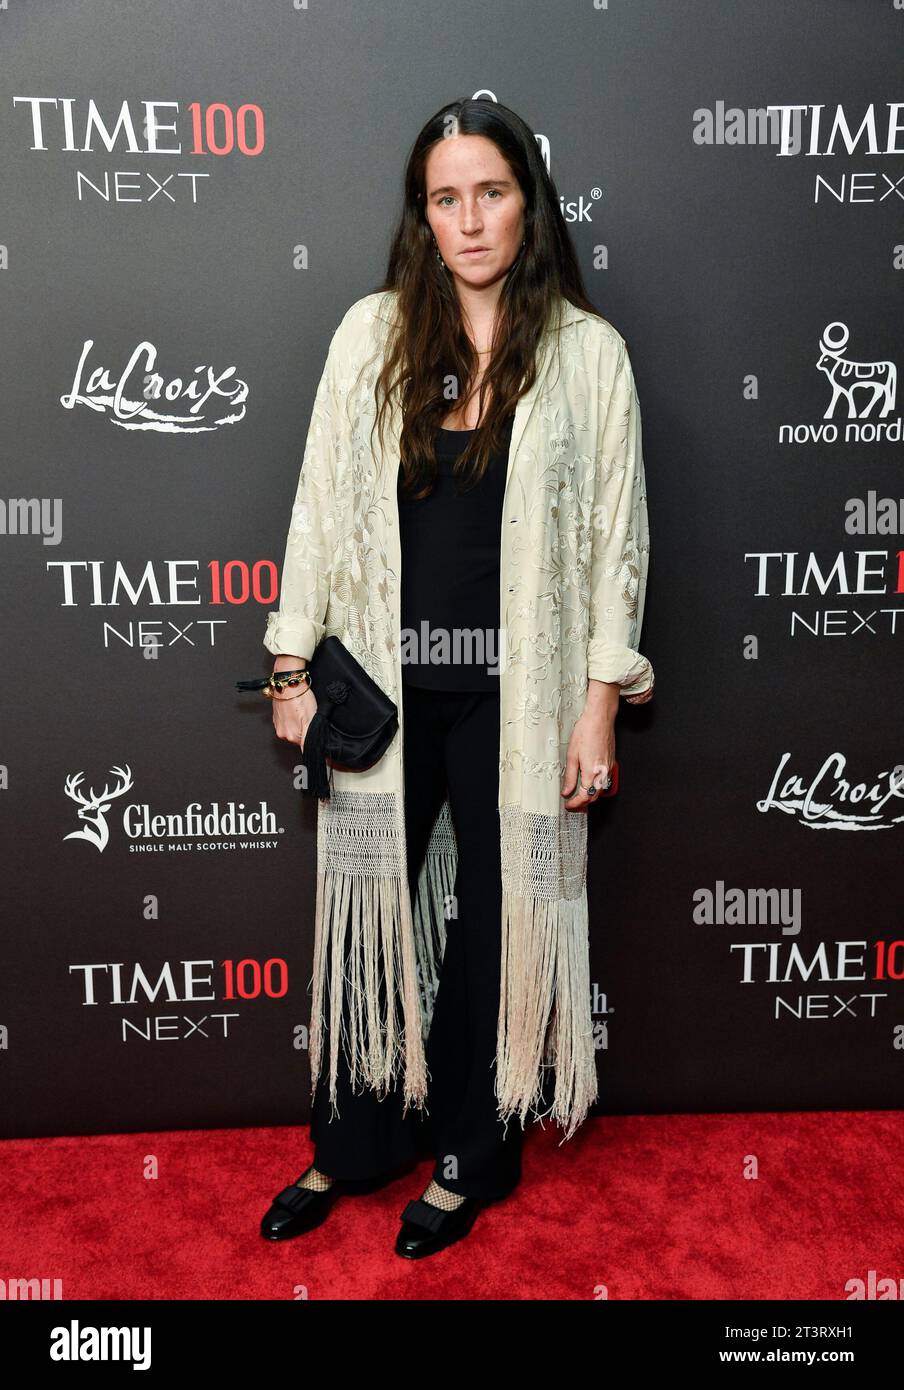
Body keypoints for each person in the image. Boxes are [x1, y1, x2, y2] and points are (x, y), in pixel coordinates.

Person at [257, 97, 655, 1259]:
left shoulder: (588, 355)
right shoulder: (369, 336)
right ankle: (352, 1142)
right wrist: (290, 660)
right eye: (445, 197)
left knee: (494, 923)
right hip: (382, 691)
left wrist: (597, 710)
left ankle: (470, 1158)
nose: (469, 219)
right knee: (372, 912)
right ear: (420, 214)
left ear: (529, 203)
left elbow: (615, 551)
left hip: (519, 702)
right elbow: (319, 512)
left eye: (491, 192)